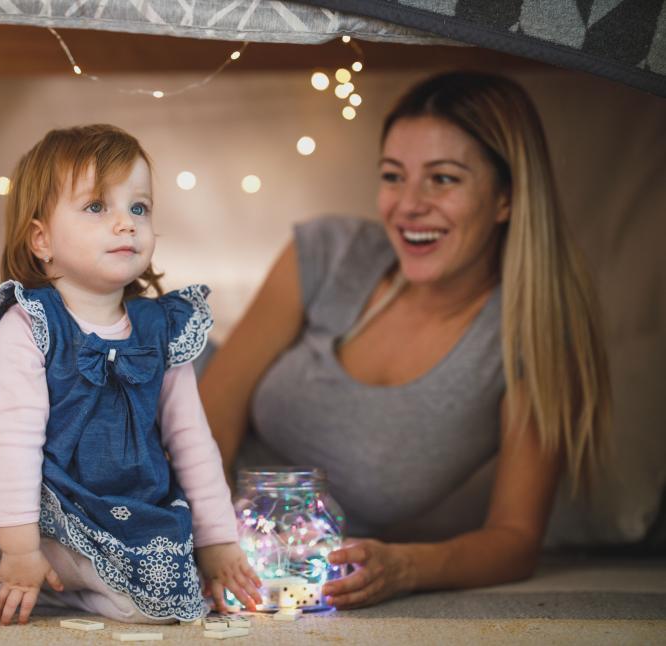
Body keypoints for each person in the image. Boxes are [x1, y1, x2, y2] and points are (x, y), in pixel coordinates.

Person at [199, 71, 611, 609]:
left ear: (506, 197)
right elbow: (211, 419)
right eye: (394, 176)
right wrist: (205, 543)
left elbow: (515, 539)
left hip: (290, 565)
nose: (408, 205)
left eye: (443, 179)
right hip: (179, 478)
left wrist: (406, 566)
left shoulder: (532, 341)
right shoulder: (327, 252)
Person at [0, 124, 261, 634]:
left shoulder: (161, 329)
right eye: (97, 207)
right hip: (23, 506)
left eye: (138, 208)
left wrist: (218, 541)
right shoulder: (28, 322)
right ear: (41, 239)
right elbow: (17, 440)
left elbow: (191, 442)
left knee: (160, 607)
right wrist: (20, 547)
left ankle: (68, 590)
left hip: (117, 512)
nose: (126, 224)